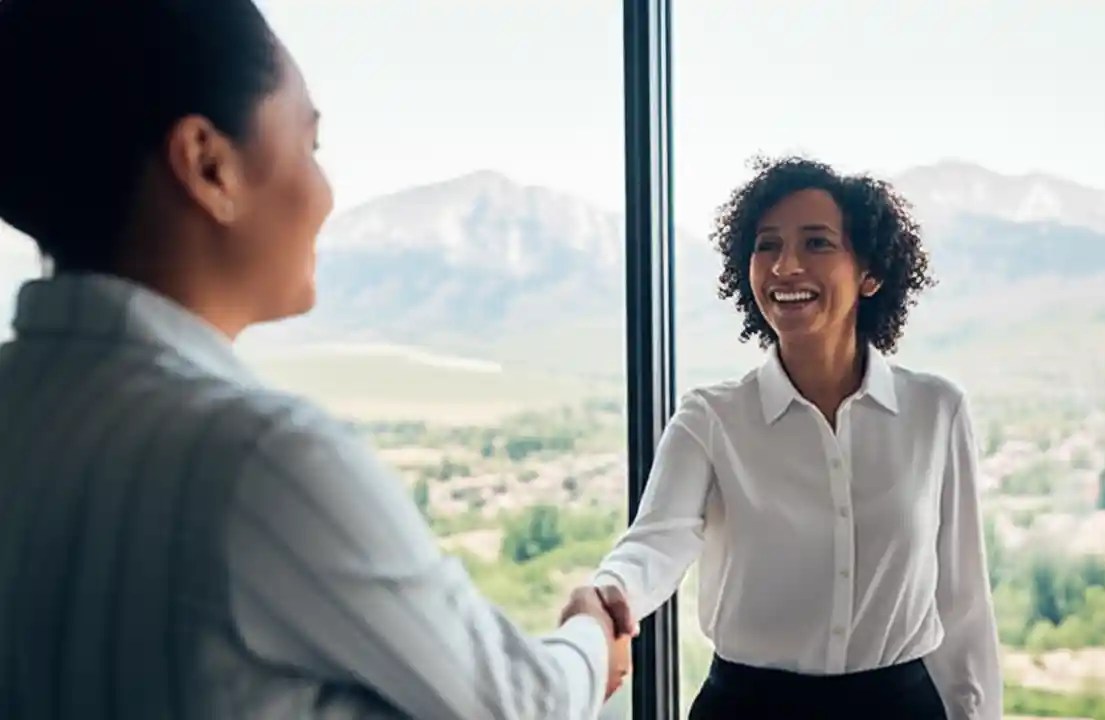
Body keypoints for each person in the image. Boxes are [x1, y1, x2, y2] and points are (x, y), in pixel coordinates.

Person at [0, 1, 628, 718]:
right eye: (312, 145)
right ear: (209, 165)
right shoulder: (260, 458)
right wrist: (590, 640)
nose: (327, 195)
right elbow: (519, 706)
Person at [567, 157, 1002, 718]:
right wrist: (606, 596)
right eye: (767, 245)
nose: (785, 266)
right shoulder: (710, 417)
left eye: (817, 243)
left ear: (870, 273)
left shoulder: (936, 410)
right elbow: (655, 542)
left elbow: (963, 603)